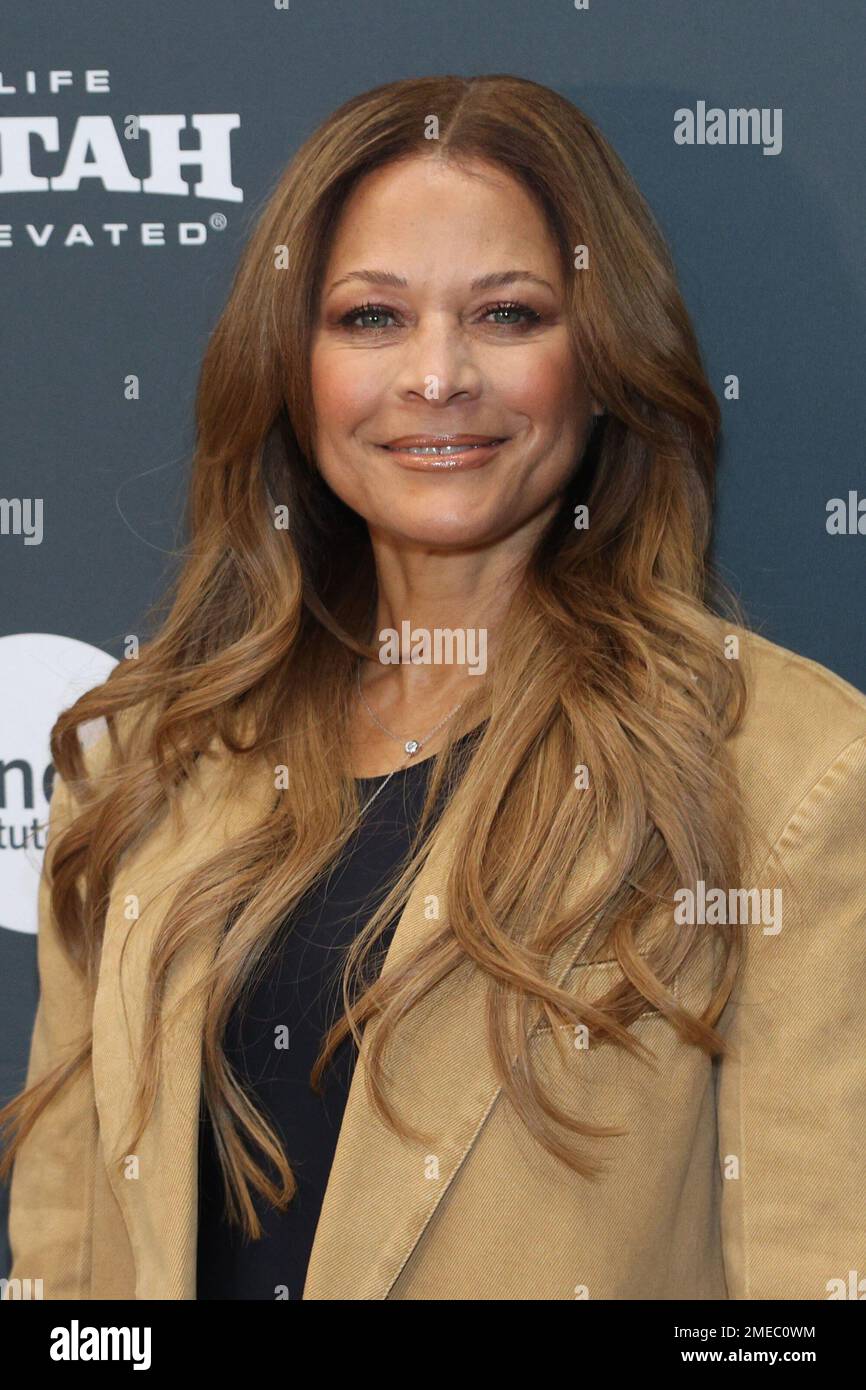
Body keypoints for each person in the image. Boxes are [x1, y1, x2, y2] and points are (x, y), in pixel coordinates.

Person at [2, 74, 864, 1302]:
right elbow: (76, 1286)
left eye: (507, 314)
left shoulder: (784, 773)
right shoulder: (148, 756)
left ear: (604, 355)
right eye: (370, 319)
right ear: (289, 365)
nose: (437, 376)